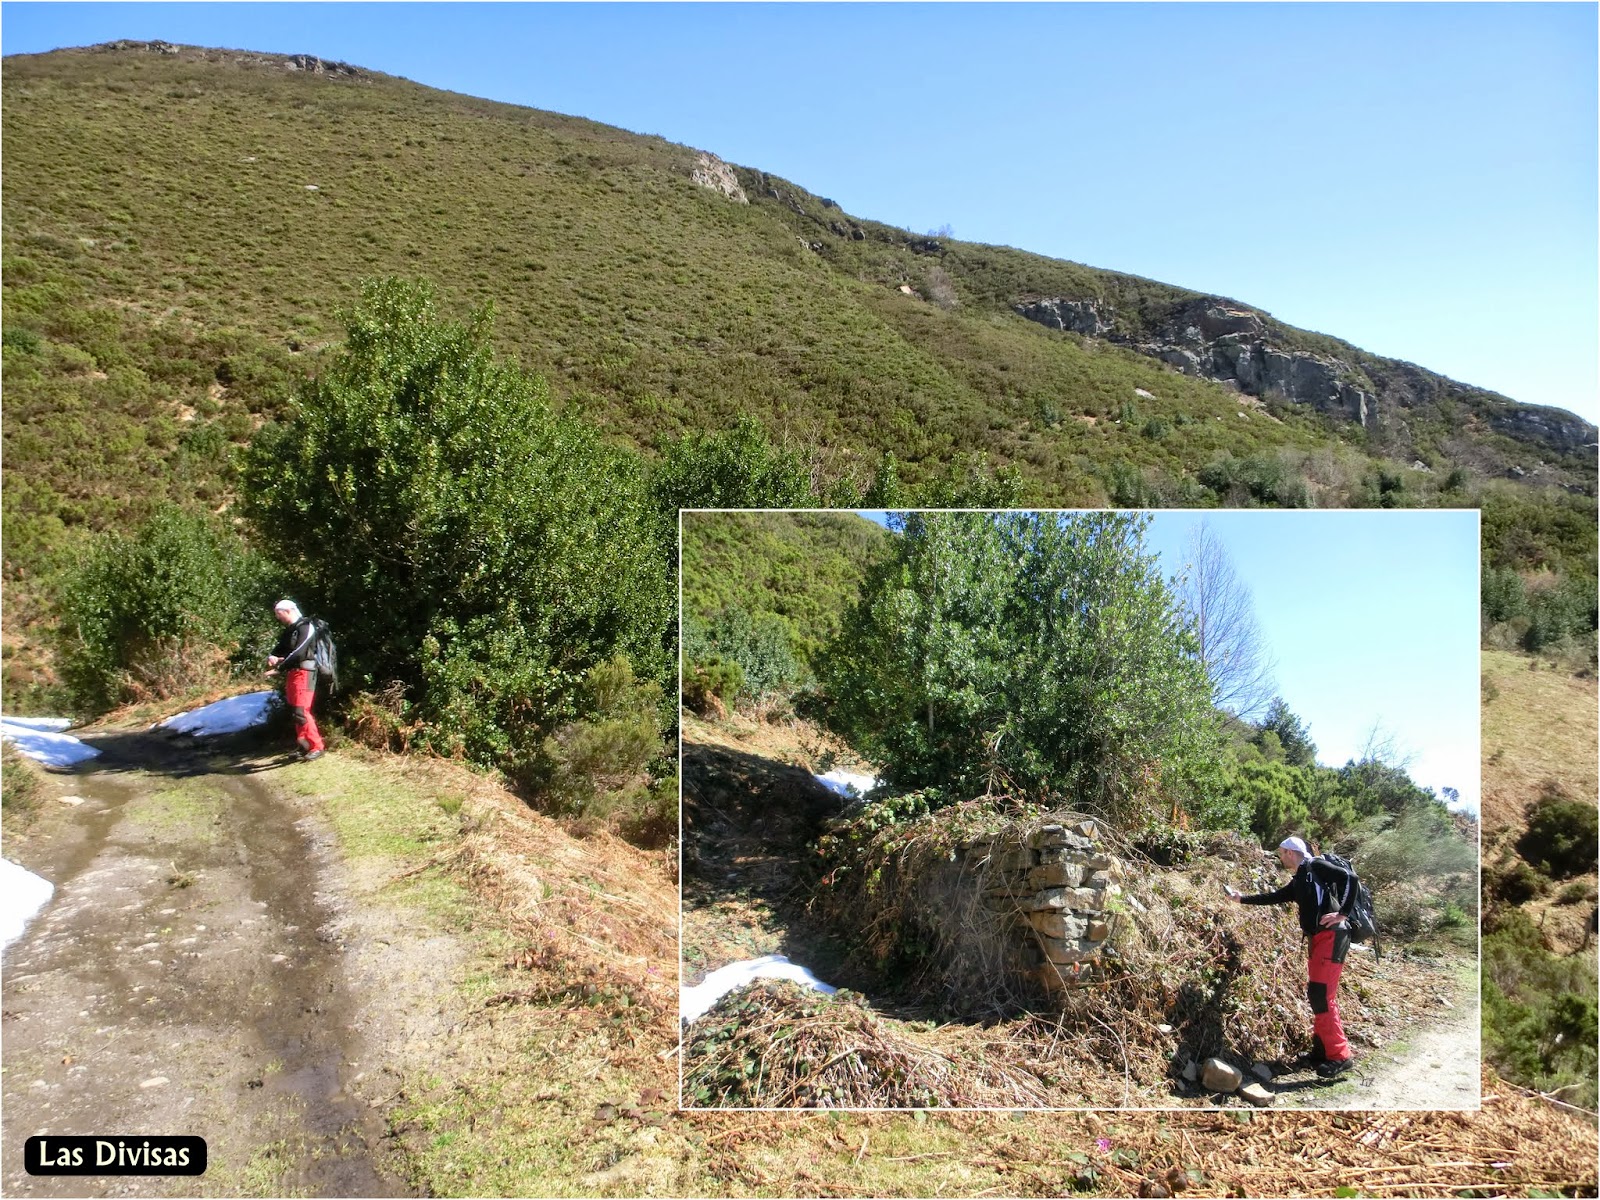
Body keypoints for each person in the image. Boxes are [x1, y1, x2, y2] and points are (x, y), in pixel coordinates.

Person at [1226, 835, 1354, 1078]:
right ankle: (1321, 1052)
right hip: (1319, 939)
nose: (1280, 858)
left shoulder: (1315, 866)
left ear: (1290, 852)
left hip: (1332, 936)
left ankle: (1340, 1056)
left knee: (1322, 995)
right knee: (1317, 994)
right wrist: (1241, 899)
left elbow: (1350, 878)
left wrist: (1343, 914)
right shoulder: (1300, 880)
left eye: (1281, 853)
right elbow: (1273, 897)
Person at [265, 600, 325, 761]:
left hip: (305, 672)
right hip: (293, 673)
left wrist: (280, 667)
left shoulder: (306, 626)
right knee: (296, 712)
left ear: (289, 610)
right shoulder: (290, 630)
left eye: (279, 613)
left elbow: (299, 652)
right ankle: (304, 746)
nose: (278, 617)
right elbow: (280, 648)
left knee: (302, 711)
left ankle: (317, 746)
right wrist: (272, 656)